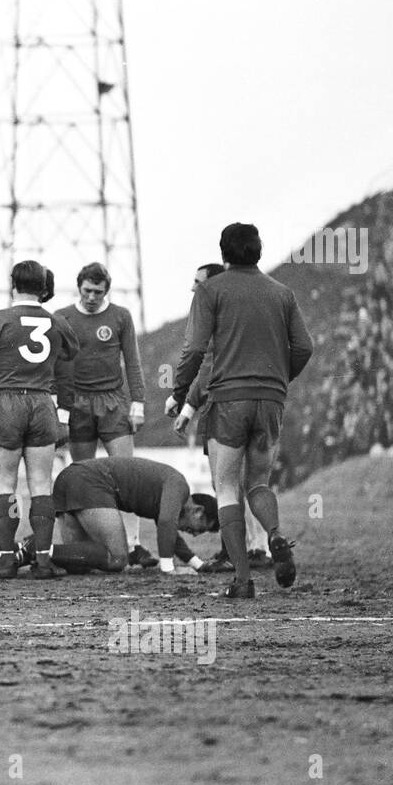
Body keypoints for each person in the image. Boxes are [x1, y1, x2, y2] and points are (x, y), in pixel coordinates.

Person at [171, 223, 314, 598]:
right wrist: (280, 379)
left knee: (227, 489)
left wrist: (179, 391)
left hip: (228, 400)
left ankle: (242, 580)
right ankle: (276, 535)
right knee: (259, 484)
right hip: (269, 399)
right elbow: (304, 347)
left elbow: (194, 350)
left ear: (223, 254)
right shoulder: (282, 293)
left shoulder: (210, 290)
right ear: (259, 251)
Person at [0, 260, 78, 579]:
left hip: (5, 402)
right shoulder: (56, 321)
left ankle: (6, 558)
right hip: (41, 402)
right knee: (40, 484)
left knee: (4, 484)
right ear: (44, 288)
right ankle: (44, 561)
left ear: (13, 285)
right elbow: (72, 349)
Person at [166, 263, 270, 574]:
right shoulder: (245, 315)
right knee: (249, 481)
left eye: (199, 283)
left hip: (223, 410)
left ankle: (241, 551)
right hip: (260, 402)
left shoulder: (213, 320)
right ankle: (260, 544)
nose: (193, 289)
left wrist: (182, 401)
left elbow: (205, 368)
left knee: (225, 483)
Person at [55, 261, 155, 569]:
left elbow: (133, 363)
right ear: (79, 287)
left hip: (113, 402)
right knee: (82, 473)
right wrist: (60, 411)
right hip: (78, 404)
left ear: (106, 291)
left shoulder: (120, 316)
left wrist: (137, 404)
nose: (91, 297)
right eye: (87, 290)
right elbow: (57, 368)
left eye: (98, 292)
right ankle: (90, 545)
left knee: (128, 476)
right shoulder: (62, 317)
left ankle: (135, 545)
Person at [25, 457, 217, 574]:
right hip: (89, 482)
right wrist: (168, 568)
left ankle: (32, 551)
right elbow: (167, 523)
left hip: (70, 477)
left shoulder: (172, 497)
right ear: (198, 510)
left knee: (78, 565)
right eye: (197, 529)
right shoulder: (179, 486)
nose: (192, 534)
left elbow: (169, 531)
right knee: (118, 558)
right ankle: (36, 547)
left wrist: (198, 565)